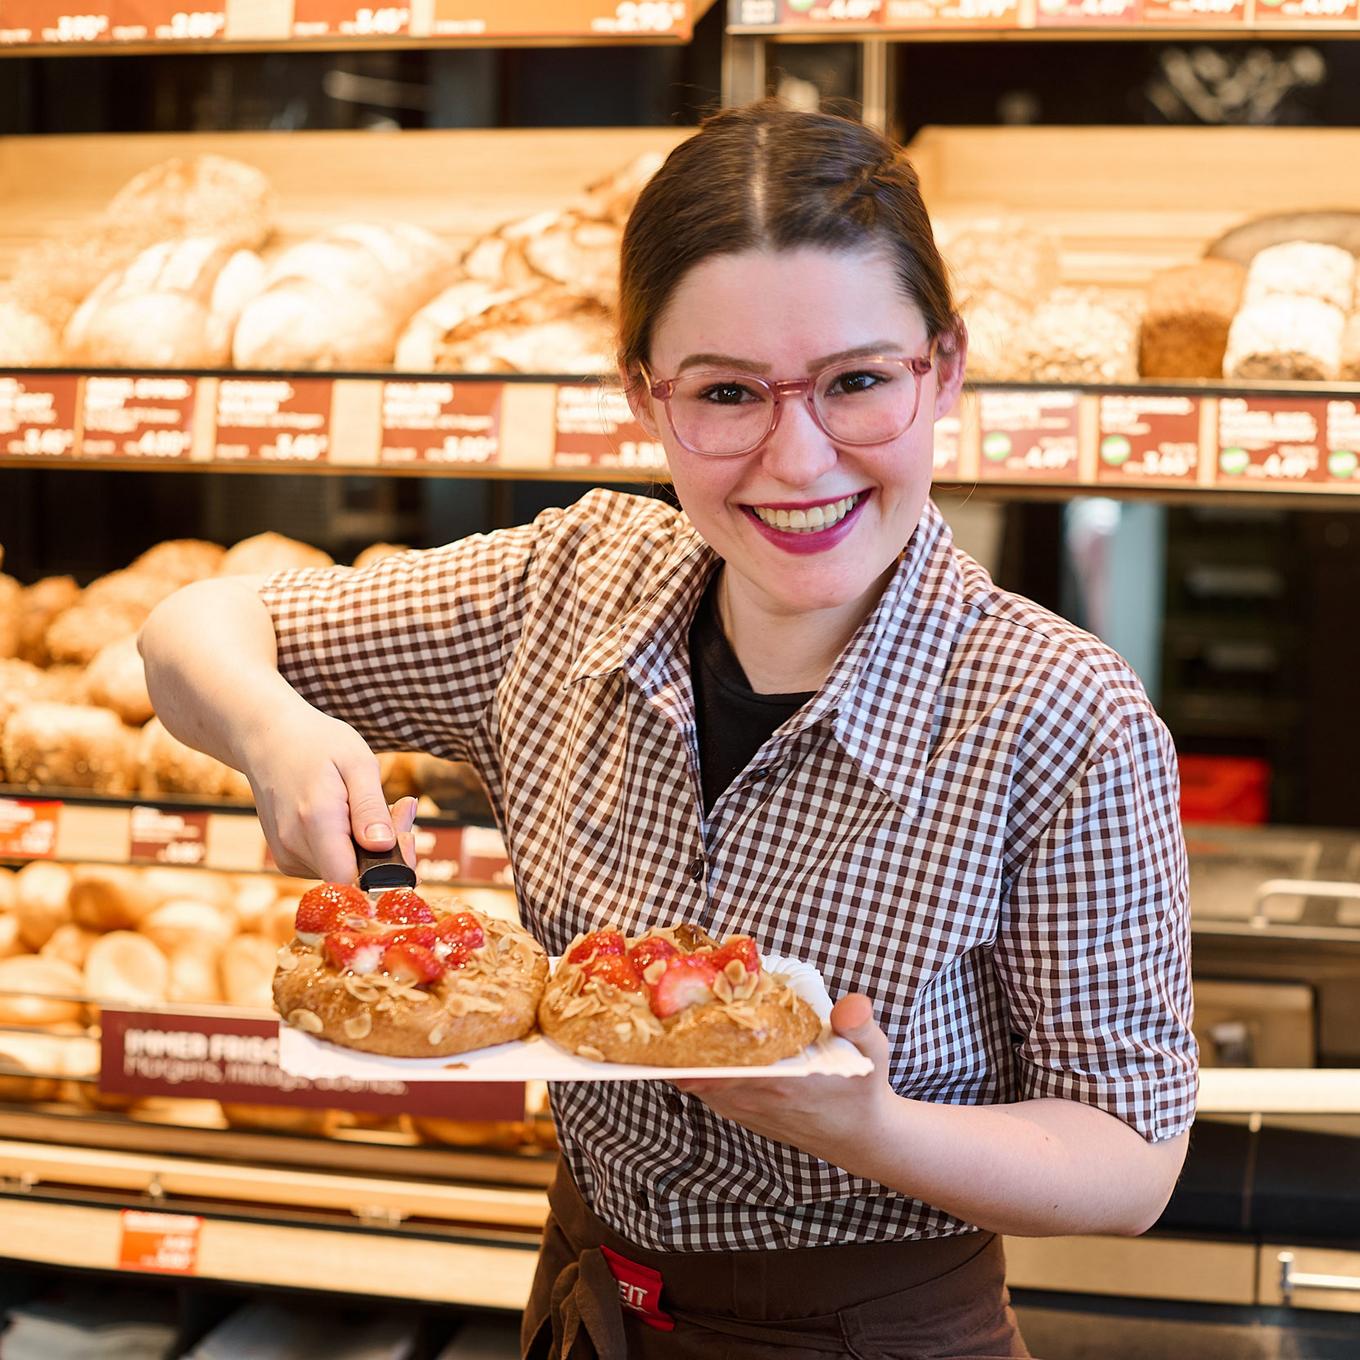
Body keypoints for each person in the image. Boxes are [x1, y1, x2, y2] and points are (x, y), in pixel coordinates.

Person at [141, 101, 1198, 1360]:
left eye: (858, 381)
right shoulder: (559, 590)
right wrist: (270, 730)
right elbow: (192, 629)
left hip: (877, 1334)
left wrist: (869, 1128)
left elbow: (1129, 1158)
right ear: (643, 395)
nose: (797, 459)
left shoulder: (1061, 713)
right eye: (726, 393)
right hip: (591, 1307)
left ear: (944, 368)